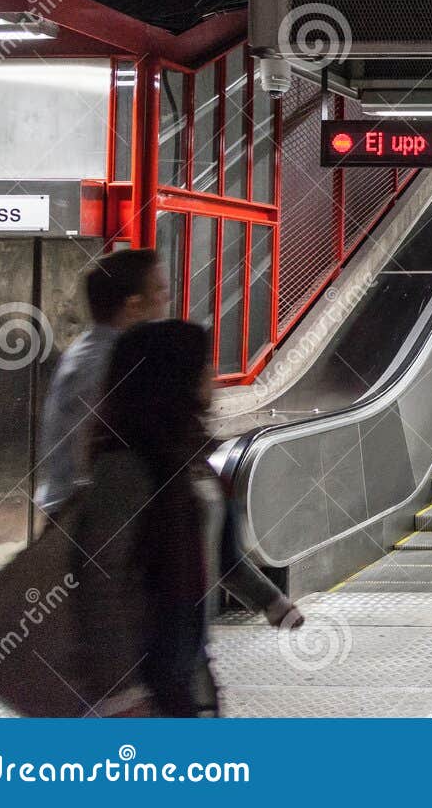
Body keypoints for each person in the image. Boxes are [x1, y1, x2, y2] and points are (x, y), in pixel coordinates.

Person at [73, 321, 298, 717]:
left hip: (189, 663)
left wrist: (271, 602)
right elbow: (98, 578)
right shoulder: (125, 468)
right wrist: (117, 689)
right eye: (203, 366)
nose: (213, 376)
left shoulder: (193, 459)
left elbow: (222, 554)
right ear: (173, 378)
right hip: (146, 674)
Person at [34, 249, 169, 517]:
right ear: (133, 305)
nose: (166, 298)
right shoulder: (109, 365)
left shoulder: (88, 349)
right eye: (159, 290)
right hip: (88, 519)